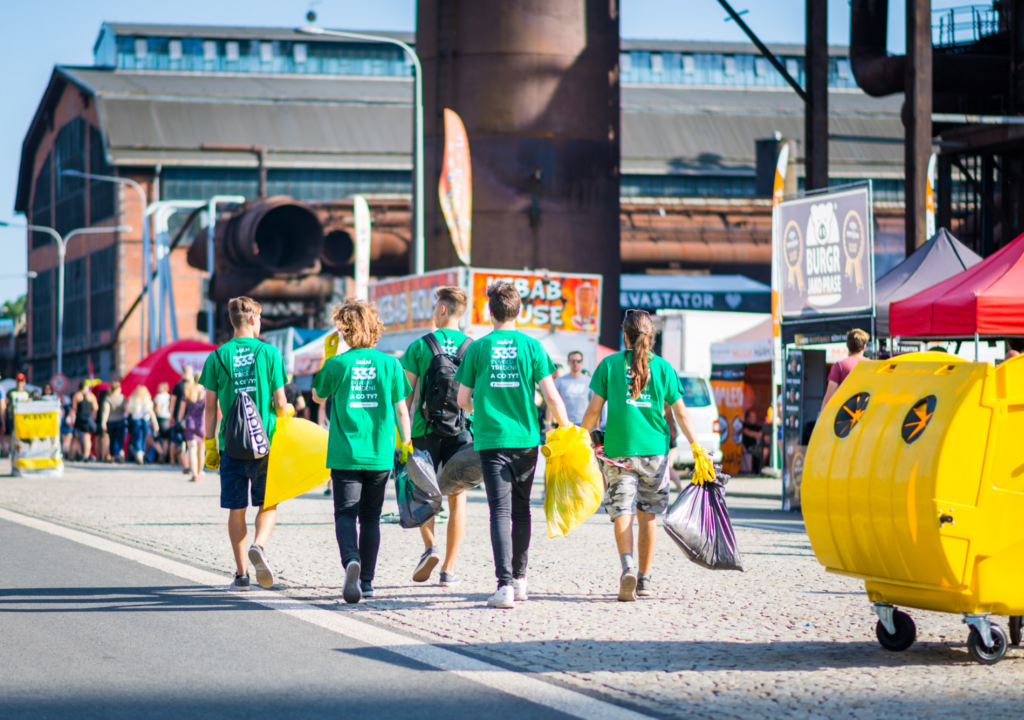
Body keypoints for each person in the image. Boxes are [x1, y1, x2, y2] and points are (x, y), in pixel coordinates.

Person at [455, 281, 570, 609]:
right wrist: (570, 430)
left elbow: (463, 399)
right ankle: (520, 581)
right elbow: (551, 397)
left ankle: (503, 585)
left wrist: (485, 410)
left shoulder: (477, 348)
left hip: (492, 440)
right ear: (518, 311)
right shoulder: (532, 347)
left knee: (499, 511)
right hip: (526, 441)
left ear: (490, 312)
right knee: (521, 510)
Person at [581, 309, 704, 602]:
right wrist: (697, 448)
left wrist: (579, 438)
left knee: (622, 510)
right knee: (648, 514)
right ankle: (645, 580)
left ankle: (628, 566)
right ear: (652, 337)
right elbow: (682, 414)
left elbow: (594, 412)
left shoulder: (608, 365)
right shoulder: (663, 368)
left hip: (618, 451)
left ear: (625, 335)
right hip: (655, 454)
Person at [312, 299, 412, 604]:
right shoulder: (391, 364)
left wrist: (327, 358)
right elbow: (401, 411)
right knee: (370, 517)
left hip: (345, 453)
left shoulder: (337, 364)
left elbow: (317, 397)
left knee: (345, 513)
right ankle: (366, 581)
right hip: (380, 454)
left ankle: (351, 560)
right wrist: (405, 445)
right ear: (374, 327)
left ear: (344, 331)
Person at [201, 297, 289, 591]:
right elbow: (280, 402)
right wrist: (287, 416)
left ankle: (241, 575)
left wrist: (210, 445)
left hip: (231, 445)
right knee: (269, 503)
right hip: (266, 445)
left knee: (236, 509)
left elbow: (210, 408)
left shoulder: (216, 357)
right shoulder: (270, 353)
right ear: (253, 320)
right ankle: (259, 546)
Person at [400, 286, 473, 586]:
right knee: (458, 497)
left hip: (423, 431)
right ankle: (449, 570)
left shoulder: (420, 346)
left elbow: (406, 397)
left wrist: (402, 437)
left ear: (442, 309)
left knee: (423, 492)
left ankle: (430, 547)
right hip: (460, 431)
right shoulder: (473, 347)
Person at [821, 329, 870, 410]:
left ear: (847, 346)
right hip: (866, 415)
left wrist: (821, 421)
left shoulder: (839, 366)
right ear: (864, 348)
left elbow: (828, 398)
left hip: (844, 418)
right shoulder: (872, 366)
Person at [552, 351, 593, 427]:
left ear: (582, 362)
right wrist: (548, 424)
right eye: (572, 361)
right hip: (564, 423)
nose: (575, 364)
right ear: (568, 362)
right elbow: (552, 402)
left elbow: (594, 405)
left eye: (578, 361)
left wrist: (596, 427)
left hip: (584, 423)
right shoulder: (560, 380)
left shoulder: (589, 381)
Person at [126, 385, 159, 465]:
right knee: (143, 438)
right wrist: (155, 423)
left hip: (136, 420)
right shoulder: (147, 400)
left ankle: (139, 455)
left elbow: (128, 410)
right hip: (145, 421)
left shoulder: (133, 399)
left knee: (138, 438)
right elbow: (151, 412)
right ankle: (141, 454)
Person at [182, 376, 206, 482]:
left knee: (192, 449)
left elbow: (182, 411)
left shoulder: (188, 392)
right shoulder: (205, 393)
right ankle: (200, 472)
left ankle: (194, 473)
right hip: (202, 425)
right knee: (201, 450)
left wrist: (179, 420)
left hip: (190, 423)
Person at [171, 367, 193, 472]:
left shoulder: (178, 385)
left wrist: (171, 416)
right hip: (193, 417)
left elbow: (173, 402)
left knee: (181, 442)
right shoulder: (194, 386)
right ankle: (192, 464)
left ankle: (185, 465)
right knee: (191, 443)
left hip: (180, 417)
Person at [71, 381, 98, 461]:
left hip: (79, 417)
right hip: (88, 417)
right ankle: (86, 455)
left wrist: (72, 418)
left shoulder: (77, 395)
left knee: (77, 437)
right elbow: (95, 408)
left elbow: (74, 409)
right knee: (87, 437)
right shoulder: (91, 396)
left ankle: (80, 454)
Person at [101, 381, 127, 463]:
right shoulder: (123, 398)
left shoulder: (108, 398)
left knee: (112, 440)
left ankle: (112, 456)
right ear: (119, 388)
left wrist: (103, 422)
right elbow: (126, 410)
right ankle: (121, 453)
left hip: (111, 421)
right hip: (121, 421)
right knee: (120, 440)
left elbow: (106, 411)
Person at [153, 382, 173, 462]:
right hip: (167, 418)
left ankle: (161, 453)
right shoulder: (169, 397)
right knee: (165, 439)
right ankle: (165, 456)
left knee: (155, 439)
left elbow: (158, 409)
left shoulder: (159, 397)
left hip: (160, 418)